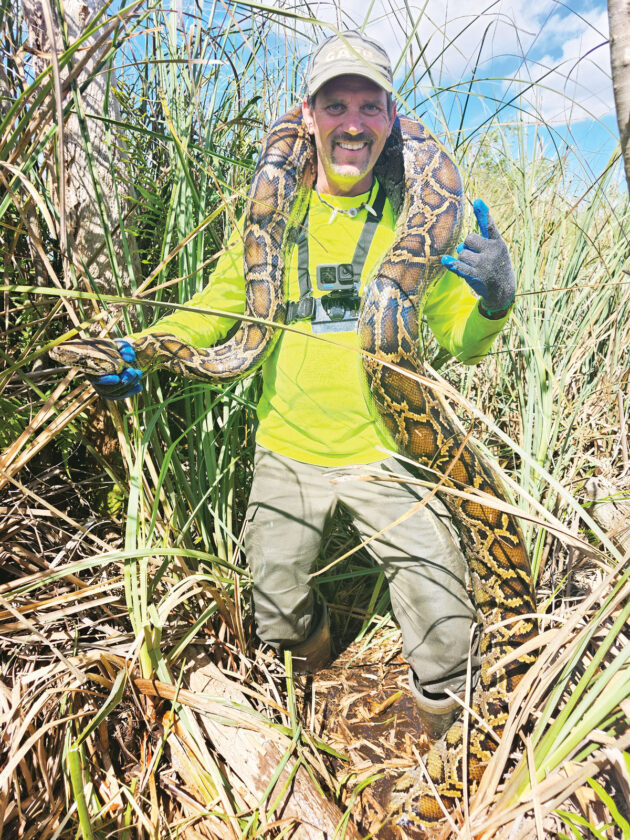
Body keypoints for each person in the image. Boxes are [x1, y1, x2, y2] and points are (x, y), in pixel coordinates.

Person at [90, 31, 517, 738]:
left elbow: (460, 341)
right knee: (278, 613)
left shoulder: (413, 227)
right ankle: (318, 686)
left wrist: (495, 303)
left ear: (390, 121)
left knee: (445, 626)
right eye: (336, 104)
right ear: (309, 116)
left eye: (370, 106)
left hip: (388, 454)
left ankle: (445, 744)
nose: (353, 121)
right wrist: (143, 347)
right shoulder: (272, 219)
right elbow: (216, 305)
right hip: (288, 448)